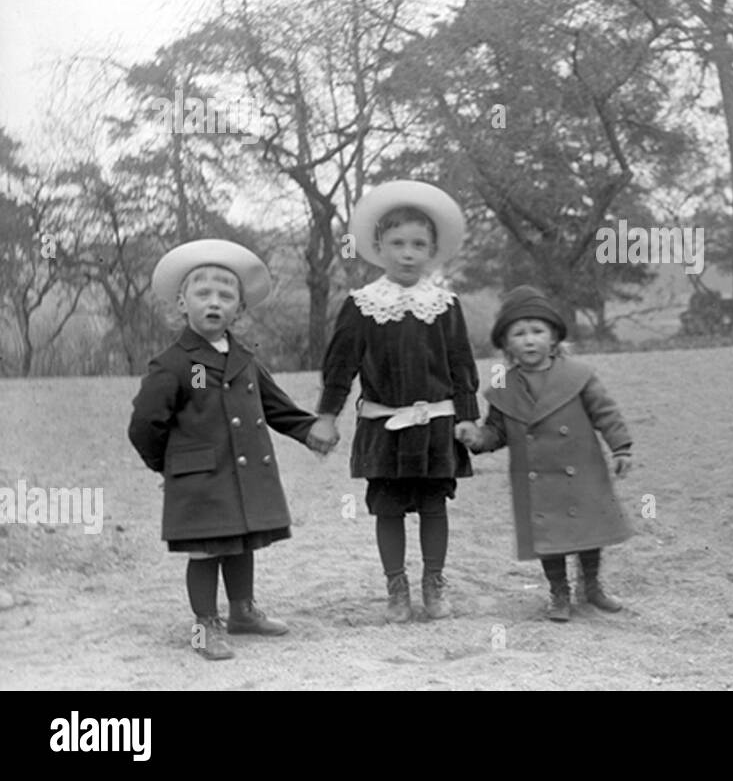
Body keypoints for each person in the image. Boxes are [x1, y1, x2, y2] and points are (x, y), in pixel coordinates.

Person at [129, 239, 337, 661]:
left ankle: (242, 611)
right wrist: (166, 467)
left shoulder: (244, 358)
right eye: (203, 294)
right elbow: (145, 424)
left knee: (242, 542)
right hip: (199, 478)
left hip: (244, 475)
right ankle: (205, 626)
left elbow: (275, 406)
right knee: (206, 551)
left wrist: (309, 430)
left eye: (226, 296)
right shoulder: (172, 363)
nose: (214, 303)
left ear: (239, 310)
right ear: (182, 304)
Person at [313, 181, 480, 623]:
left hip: (436, 426)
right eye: (398, 243)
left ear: (432, 250)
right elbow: (340, 365)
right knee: (387, 508)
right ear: (379, 247)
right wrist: (327, 417)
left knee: (432, 505)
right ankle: (396, 588)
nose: (408, 253)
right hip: (383, 426)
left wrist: (467, 418)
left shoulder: (444, 305)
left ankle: (434, 582)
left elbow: (462, 365)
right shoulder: (364, 305)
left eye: (418, 244)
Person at [457, 286, 633, 622]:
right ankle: (558, 592)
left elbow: (606, 413)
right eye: (519, 334)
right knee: (548, 536)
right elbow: (497, 432)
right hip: (536, 479)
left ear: (553, 338)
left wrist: (621, 448)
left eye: (537, 331)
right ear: (507, 345)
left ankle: (591, 586)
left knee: (588, 530)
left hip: (581, 471)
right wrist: (476, 437)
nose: (529, 340)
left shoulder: (579, 376)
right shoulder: (504, 389)